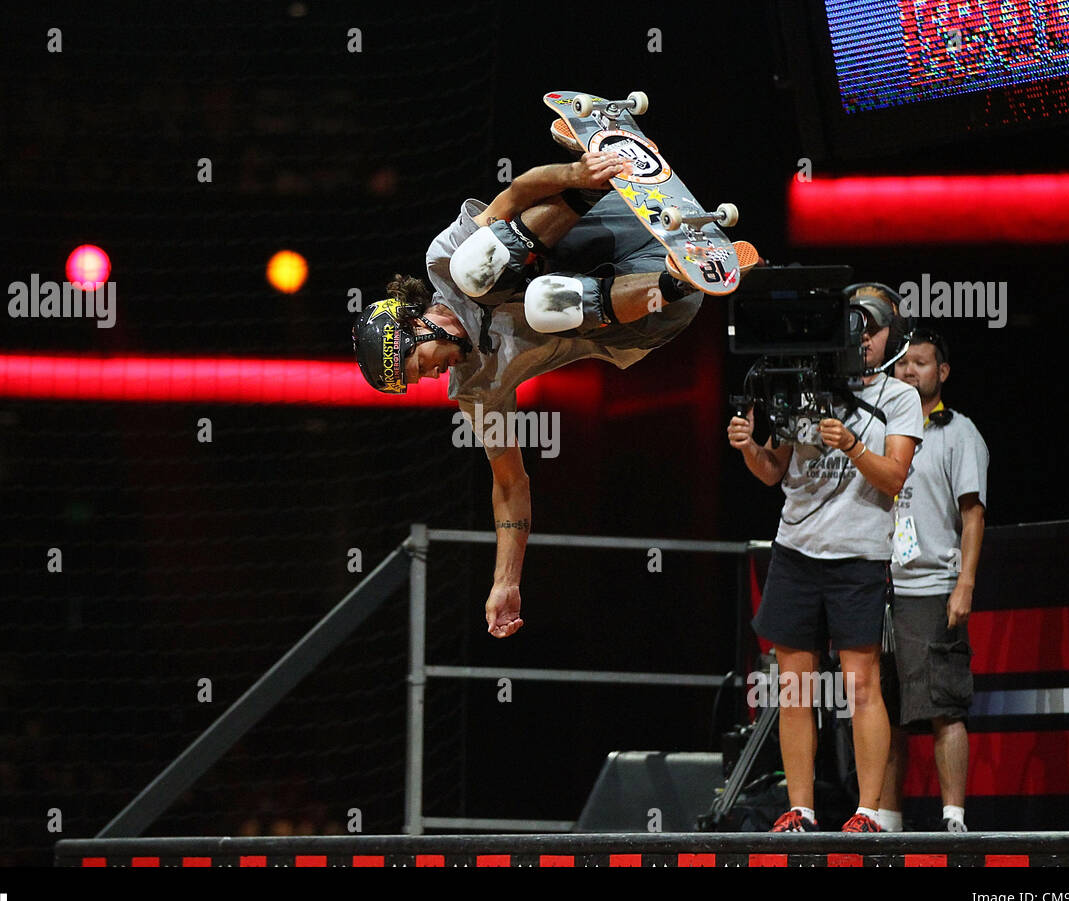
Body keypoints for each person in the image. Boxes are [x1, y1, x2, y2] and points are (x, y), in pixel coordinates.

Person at [353, 139, 753, 638]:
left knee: (473, 270)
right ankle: (685, 275)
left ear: (414, 327)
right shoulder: (477, 388)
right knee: (543, 302)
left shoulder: (443, 258)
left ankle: (599, 177)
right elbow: (509, 484)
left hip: (616, 222)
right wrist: (506, 582)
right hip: (647, 305)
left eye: (419, 367)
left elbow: (515, 194)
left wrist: (575, 171)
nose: (434, 377)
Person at [728, 285, 923, 833]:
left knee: (862, 684)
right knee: (794, 687)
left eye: (872, 327)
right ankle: (801, 809)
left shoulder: (898, 398)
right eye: (852, 324)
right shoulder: (801, 384)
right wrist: (749, 445)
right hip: (795, 551)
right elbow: (773, 473)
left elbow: (895, 477)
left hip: (858, 556)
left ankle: (868, 811)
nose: (860, 337)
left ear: (891, 336)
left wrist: (854, 447)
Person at [876, 328, 988, 832]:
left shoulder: (958, 432)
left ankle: (954, 820)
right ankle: (886, 820)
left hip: (931, 587)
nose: (908, 371)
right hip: (879, 588)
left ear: (942, 372)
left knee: (943, 706)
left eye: (920, 363)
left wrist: (964, 584)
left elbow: (973, 515)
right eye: (902, 363)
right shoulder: (880, 429)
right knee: (886, 714)